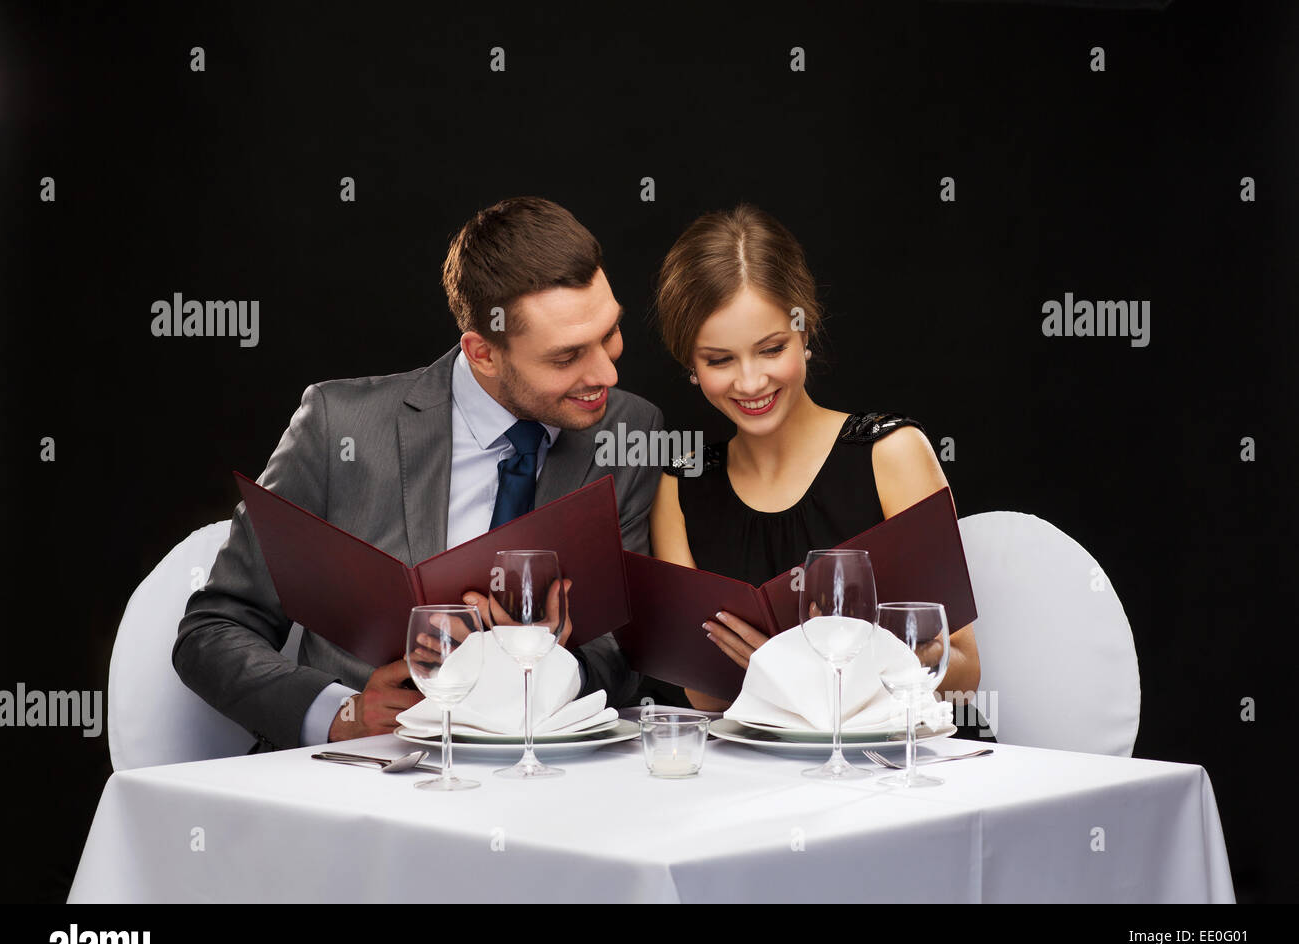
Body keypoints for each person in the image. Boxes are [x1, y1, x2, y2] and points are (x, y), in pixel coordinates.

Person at [174, 196, 663, 751]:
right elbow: (211, 631)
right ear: (482, 352)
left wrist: (547, 670)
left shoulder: (628, 430)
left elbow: (623, 647)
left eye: (610, 333)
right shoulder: (339, 427)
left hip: (539, 778)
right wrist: (343, 714)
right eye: (566, 357)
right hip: (358, 778)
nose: (606, 371)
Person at [649, 204, 990, 740]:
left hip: (905, 767)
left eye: (772, 349)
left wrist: (791, 670)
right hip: (765, 775)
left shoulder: (891, 453)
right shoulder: (682, 486)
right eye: (719, 360)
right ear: (690, 365)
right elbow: (708, 696)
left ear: (805, 331)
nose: (750, 381)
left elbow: (963, 672)